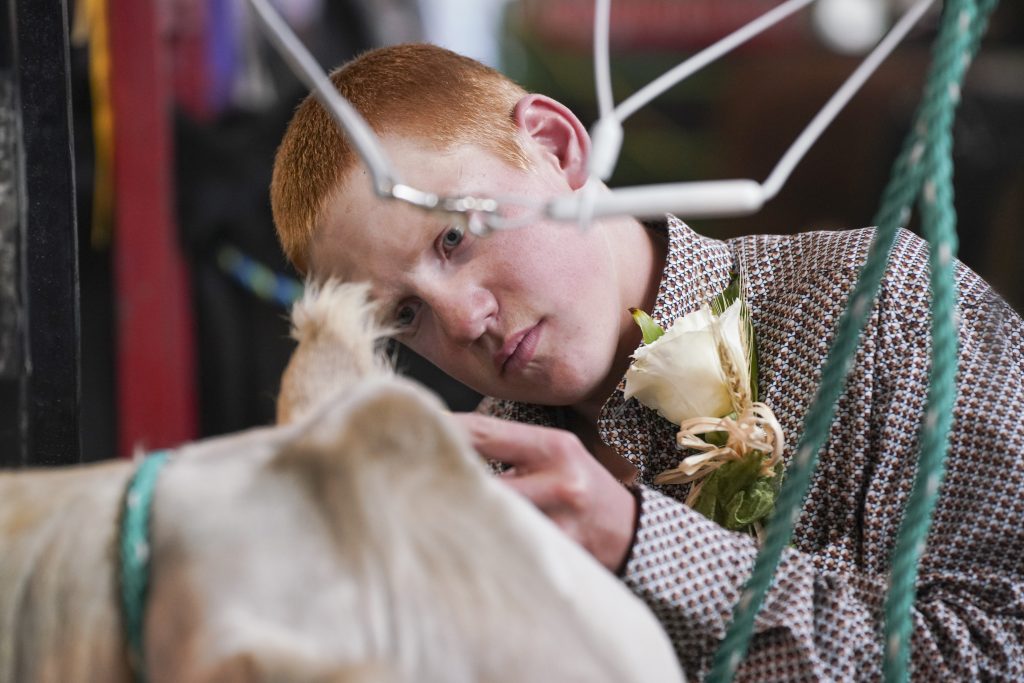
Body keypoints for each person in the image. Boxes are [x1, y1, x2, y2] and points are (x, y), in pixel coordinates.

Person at [269, 43, 1024, 680]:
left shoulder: (879, 308)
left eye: (455, 238)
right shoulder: (487, 498)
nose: (463, 320)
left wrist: (638, 543)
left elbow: (1005, 649)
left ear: (557, 146)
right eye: (404, 315)